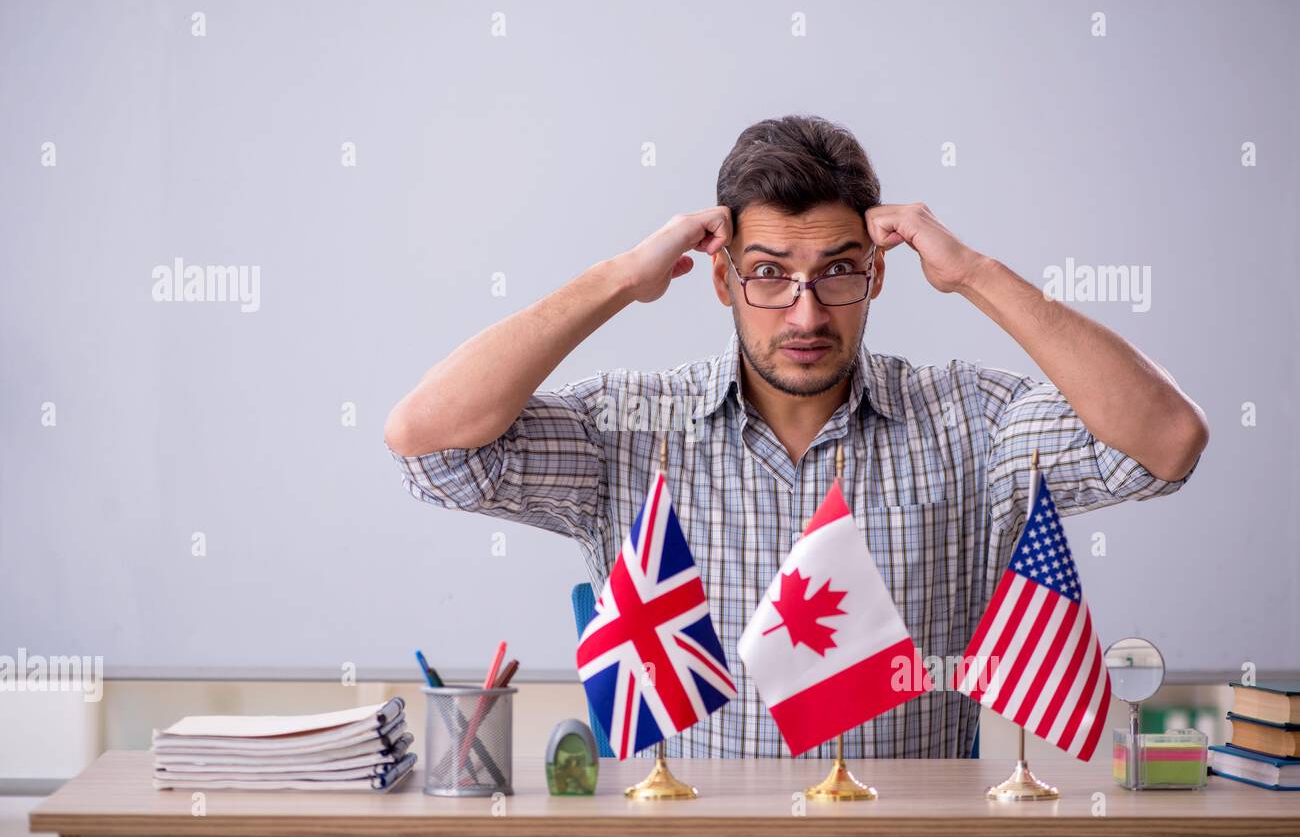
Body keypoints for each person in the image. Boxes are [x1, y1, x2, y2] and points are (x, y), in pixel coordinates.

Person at [383, 114, 1208, 759]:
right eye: (770, 274)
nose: (806, 314)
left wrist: (971, 273)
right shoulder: (633, 429)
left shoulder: (969, 420)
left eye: (838, 272)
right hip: (696, 836)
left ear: (878, 271)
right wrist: (621, 280)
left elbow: (1165, 440)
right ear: (723, 278)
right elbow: (429, 442)